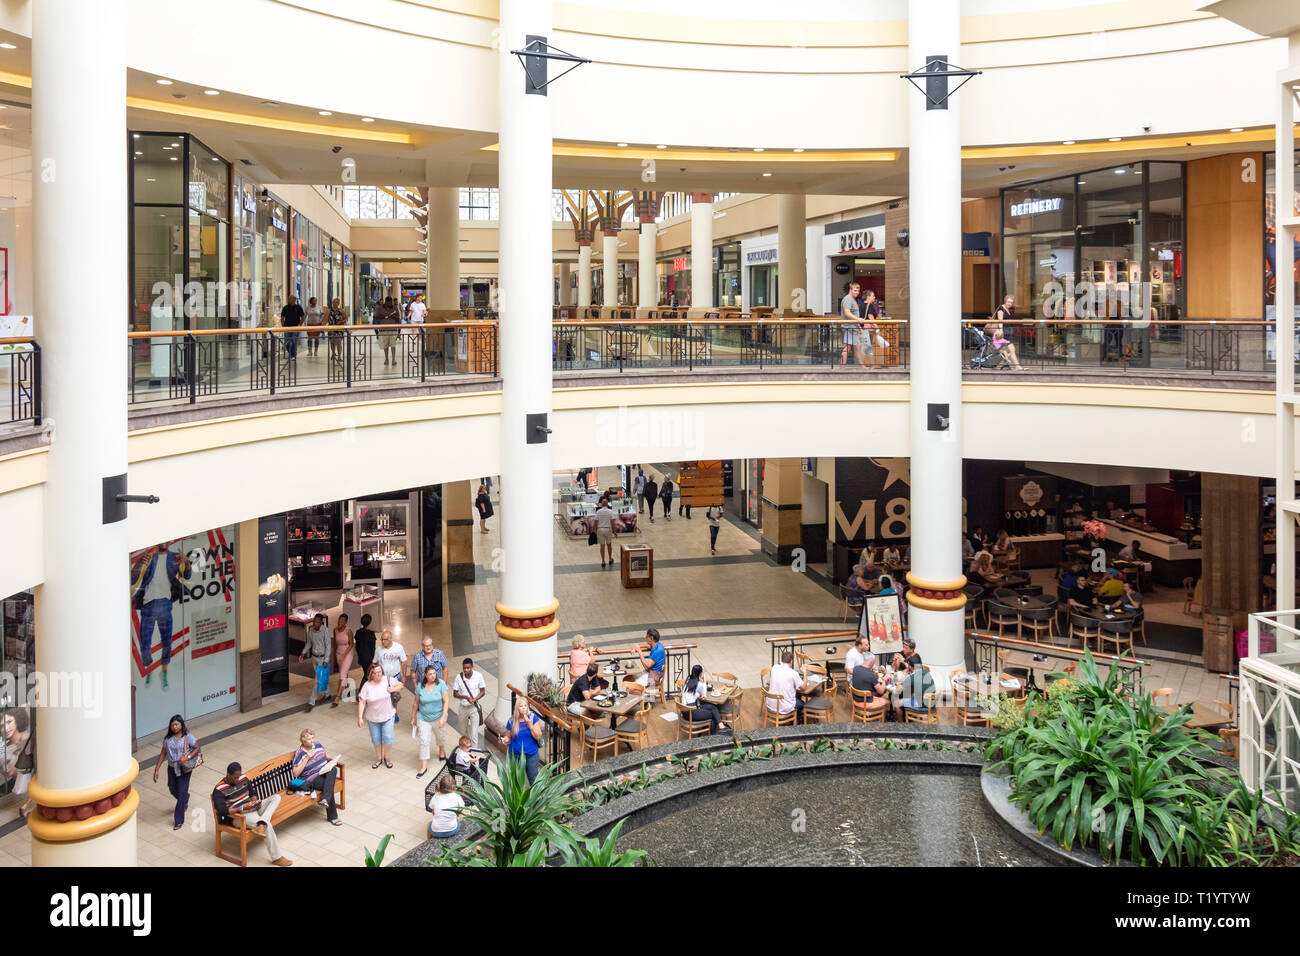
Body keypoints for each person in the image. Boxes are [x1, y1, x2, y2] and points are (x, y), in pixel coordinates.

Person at [212, 762, 293, 866]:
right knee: (267, 826)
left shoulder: (243, 778)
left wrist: (255, 802)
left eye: (239, 776)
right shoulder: (219, 789)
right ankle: (276, 858)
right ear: (228, 775)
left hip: (253, 808)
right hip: (240, 816)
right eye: (235, 778)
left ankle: (261, 822)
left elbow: (252, 793)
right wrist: (242, 807)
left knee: (276, 797)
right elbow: (222, 811)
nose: (238, 780)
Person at [131, 541, 187, 689]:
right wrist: (137, 564)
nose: (164, 542)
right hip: (148, 605)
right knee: (145, 642)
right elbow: (132, 579)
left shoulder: (174, 557)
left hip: (165, 604)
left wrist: (186, 563)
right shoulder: (149, 558)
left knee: (167, 641)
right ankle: (148, 669)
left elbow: (186, 575)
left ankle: (164, 671)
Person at [152, 715, 201, 830]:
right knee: (172, 788)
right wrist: (157, 769)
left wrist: (187, 757)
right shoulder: (167, 739)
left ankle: (178, 820)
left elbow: (196, 747)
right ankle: (185, 798)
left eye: (177, 724)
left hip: (184, 769)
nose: (174, 727)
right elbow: (163, 753)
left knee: (181, 794)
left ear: (181, 724)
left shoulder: (187, 737)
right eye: (172, 725)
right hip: (171, 767)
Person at [290, 729, 342, 826]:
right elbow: (296, 773)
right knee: (328, 786)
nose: (312, 740)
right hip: (311, 778)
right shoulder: (299, 753)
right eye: (309, 739)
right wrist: (306, 758)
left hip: (323, 771)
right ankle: (333, 816)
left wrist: (332, 759)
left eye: (313, 738)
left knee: (333, 770)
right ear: (303, 741)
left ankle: (325, 800)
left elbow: (324, 754)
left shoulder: (316, 744)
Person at [358, 662, 401, 769]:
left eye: (380, 672)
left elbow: (400, 685)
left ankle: (387, 757)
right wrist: (360, 717)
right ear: (371, 674)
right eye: (376, 673)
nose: (378, 675)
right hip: (373, 718)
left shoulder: (388, 679)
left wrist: (393, 689)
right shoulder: (367, 686)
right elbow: (362, 701)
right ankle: (379, 758)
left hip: (388, 715)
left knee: (388, 737)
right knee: (376, 739)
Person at [411, 665, 451, 777]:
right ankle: (423, 766)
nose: (433, 676)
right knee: (424, 741)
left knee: (440, 736)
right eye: (430, 674)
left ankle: (442, 750)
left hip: (439, 716)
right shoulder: (420, 686)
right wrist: (413, 717)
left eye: (434, 673)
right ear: (425, 675)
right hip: (423, 718)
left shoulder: (441, 684)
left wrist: (443, 717)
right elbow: (415, 703)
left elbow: (446, 700)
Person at [500, 697, 544, 784]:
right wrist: (504, 740)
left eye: (525, 706)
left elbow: (538, 736)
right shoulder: (512, 720)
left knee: (533, 779)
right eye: (521, 706)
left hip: (530, 755)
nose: (524, 707)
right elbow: (508, 737)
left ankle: (536, 797)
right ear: (517, 708)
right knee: (515, 780)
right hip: (515, 755)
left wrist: (530, 725)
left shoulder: (532, 718)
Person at [2, 709, 34, 818]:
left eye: (9, 722)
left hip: (34, 759)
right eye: (2, 725)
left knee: (36, 784)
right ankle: (26, 805)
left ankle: (27, 805)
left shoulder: (30, 733)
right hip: (39, 761)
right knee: (39, 785)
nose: (6, 728)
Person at [680, 664, 728, 733]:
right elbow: (704, 695)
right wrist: (704, 680)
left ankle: (721, 726)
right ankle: (713, 738)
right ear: (700, 673)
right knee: (714, 716)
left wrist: (698, 696)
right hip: (691, 712)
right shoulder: (699, 684)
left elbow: (692, 693)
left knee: (713, 707)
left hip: (686, 711)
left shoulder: (688, 679)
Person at [299, 613, 332, 708]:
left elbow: (328, 646)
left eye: (317, 622)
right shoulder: (311, 631)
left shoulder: (325, 631)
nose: (315, 623)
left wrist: (326, 659)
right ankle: (327, 694)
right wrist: (303, 653)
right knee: (321, 678)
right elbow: (309, 643)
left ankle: (311, 701)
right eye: (314, 621)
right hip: (314, 658)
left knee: (317, 680)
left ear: (321, 622)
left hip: (322, 659)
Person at [453, 658, 487, 748]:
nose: (466, 670)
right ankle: (465, 750)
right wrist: (465, 697)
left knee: (474, 734)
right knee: (463, 732)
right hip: (463, 707)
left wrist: (474, 699)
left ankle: (474, 753)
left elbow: (483, 692)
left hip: (473, 708)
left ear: (472, 667)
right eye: (464, 668)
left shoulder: (478, 676)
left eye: (468, 668)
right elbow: (455, 693)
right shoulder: (459, 677)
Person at [985, 294, 1023, 370]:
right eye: (1008, 302)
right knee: (1011, 349)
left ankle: (994, 364)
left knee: (1005, 350)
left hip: (1007, 332)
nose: (1010, 304)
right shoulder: (1001, 308)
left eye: (1011, 303)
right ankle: (1017, 366)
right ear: (1005, 301)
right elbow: (1000, 320)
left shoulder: (1007, 309)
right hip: (1003, 333)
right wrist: (1001, 330)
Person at [767, 651, 807, 722]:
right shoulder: (793, 673)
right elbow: (803, 688)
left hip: (771, 704)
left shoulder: (774, 667)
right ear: (791, 661)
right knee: (802, 704)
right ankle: (794, 722)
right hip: (783, 707)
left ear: (781, 660)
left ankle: (791, 719)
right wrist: (805, 673)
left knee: (794, 696)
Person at [840, 280, 867, 369]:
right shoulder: (847, 299)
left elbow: (854, 314)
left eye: (858, 291)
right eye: (855, 290)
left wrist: (858, 325)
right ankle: (842, 368)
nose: (857, 292)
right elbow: (847, 313)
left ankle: (861, 365)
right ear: (850, 290)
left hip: (853, 327)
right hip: (849, 327)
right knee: (848, 347)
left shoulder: (853, 300)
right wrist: (858, 319)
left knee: (857, 347)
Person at [331, 613, 355, 707]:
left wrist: (344, 655)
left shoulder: (348, 631)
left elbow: (351, 644)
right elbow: (335, 643)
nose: (339, 622)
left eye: (342, 621)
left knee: (342, 674)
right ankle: (348, 688)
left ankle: (337, 697)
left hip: (348, 652)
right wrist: (335, 655)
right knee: (343, 671)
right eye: (339, 620)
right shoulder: (335, 630)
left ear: (345, 622)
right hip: (338, 652)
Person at [634, 628, 667, 696]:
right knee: (630, 677)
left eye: (647, 637)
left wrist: (639, 652)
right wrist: (638, 646)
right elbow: (648, 646)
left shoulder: (657, 651)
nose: (646, 638)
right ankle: (648, 699)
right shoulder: (658, 645)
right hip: (652, 673)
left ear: (651, 638)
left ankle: (646, 703)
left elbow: (646, 666)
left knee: (632, 688)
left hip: (653, 677)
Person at [354, 613, 377, 686]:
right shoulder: (371, 633)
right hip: (369, 658)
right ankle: (361, 692)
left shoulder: (358, 632)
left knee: (367, 674)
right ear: (369, 622)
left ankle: (367, 692)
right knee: (368, 675)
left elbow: (357, 646)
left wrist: (359, 654)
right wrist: (374, 659)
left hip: (362, 657)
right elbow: (372, 648)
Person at [375, 295, 399, 366]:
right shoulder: (380, 308)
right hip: (383, 329)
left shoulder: (395, 308)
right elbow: (376, 317)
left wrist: (393, 316)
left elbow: (398, 318)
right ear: (386, 302)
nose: (390, 304)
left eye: (391, 302)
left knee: (393, 345)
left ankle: (393, 359)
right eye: (388, 303)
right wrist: (383, 317)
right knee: (385, 345)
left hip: (393, 329)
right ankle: (386, 359)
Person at [594, 495, 618, 568]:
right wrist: (615, 532)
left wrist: (594, 531)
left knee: (602, 546)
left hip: (600, 530)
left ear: (601, 504)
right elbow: (612, 523)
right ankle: (610, 558)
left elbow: (595, 522)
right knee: (609, 545)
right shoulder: (610, 512)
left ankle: (603, 561)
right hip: (608, 529)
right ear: (607, 504)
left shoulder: (598, 512)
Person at [280, 294, 305, 360]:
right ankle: (292, 353)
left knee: (294, 341)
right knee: (287, 342)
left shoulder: (298, 307)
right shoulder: (285, 308)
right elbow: (282, 317)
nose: (292, 300)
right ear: (288, 300)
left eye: (294, 299)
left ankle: (293, 355)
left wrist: (300, 324)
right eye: (291, 299)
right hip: (287, 327)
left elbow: (303, 316)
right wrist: (283, 326)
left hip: (295, 327)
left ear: (295, 300)